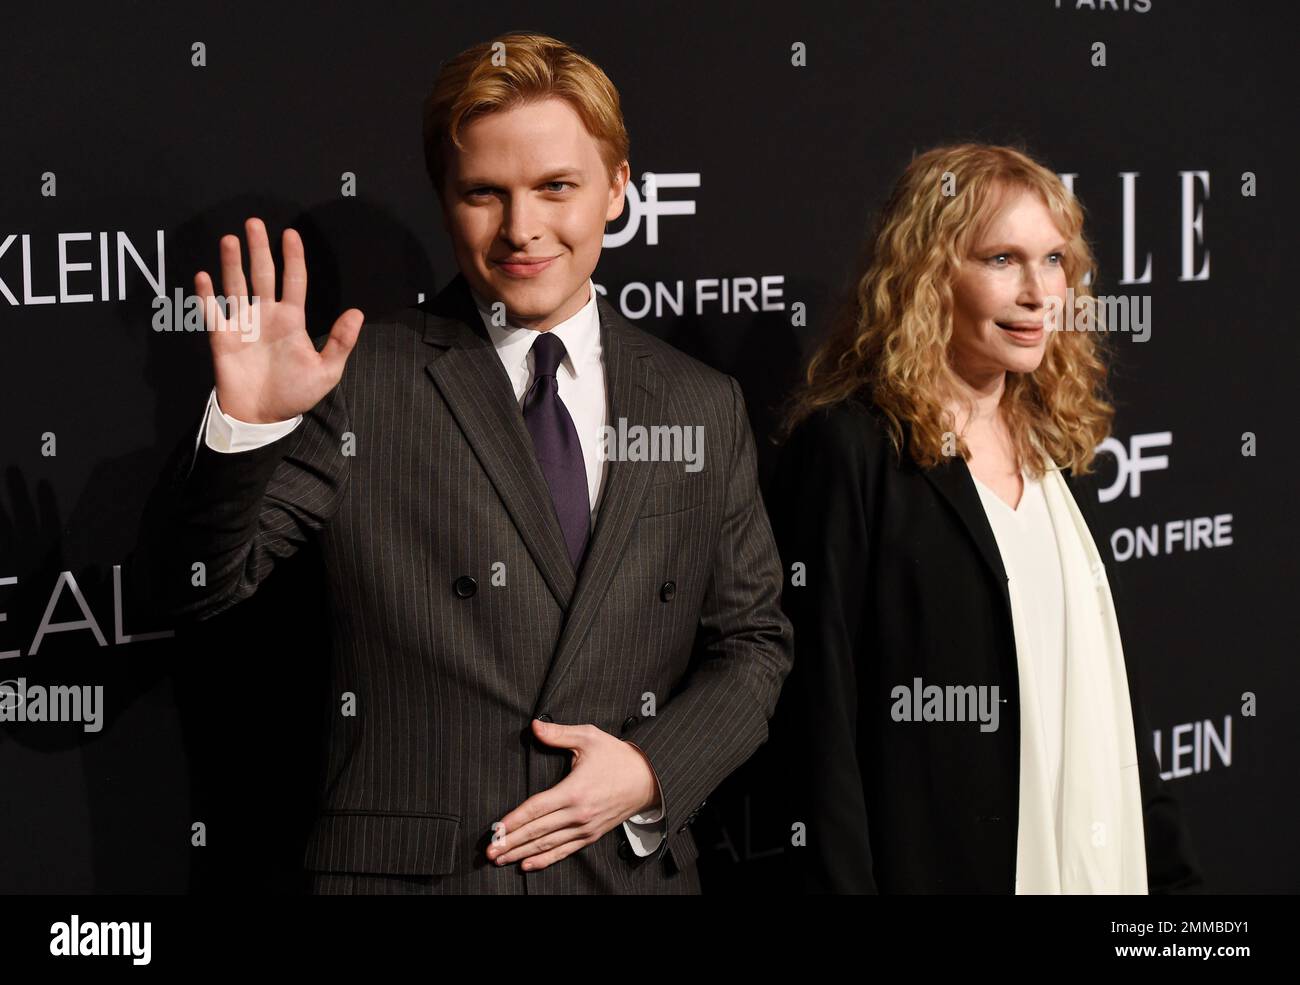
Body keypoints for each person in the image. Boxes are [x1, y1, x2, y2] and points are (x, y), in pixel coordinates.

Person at [142, 32, 791, 894]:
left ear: (618, 189)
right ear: (445, 200)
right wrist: (246, 431)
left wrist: (649, 772)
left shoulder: (699, 402)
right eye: (485, 193)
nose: (522, 229)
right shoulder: (361, 379)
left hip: (621, 875)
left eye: (556, 187)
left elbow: (753, 644)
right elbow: (198, 587)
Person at [767, 143, 1202, 894]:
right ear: (928, 276)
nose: (1040, 292)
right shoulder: (853, 447)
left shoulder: (1054, 443)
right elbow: (818, 726)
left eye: (1055, 260)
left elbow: (1113, 712)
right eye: (1002, 259)